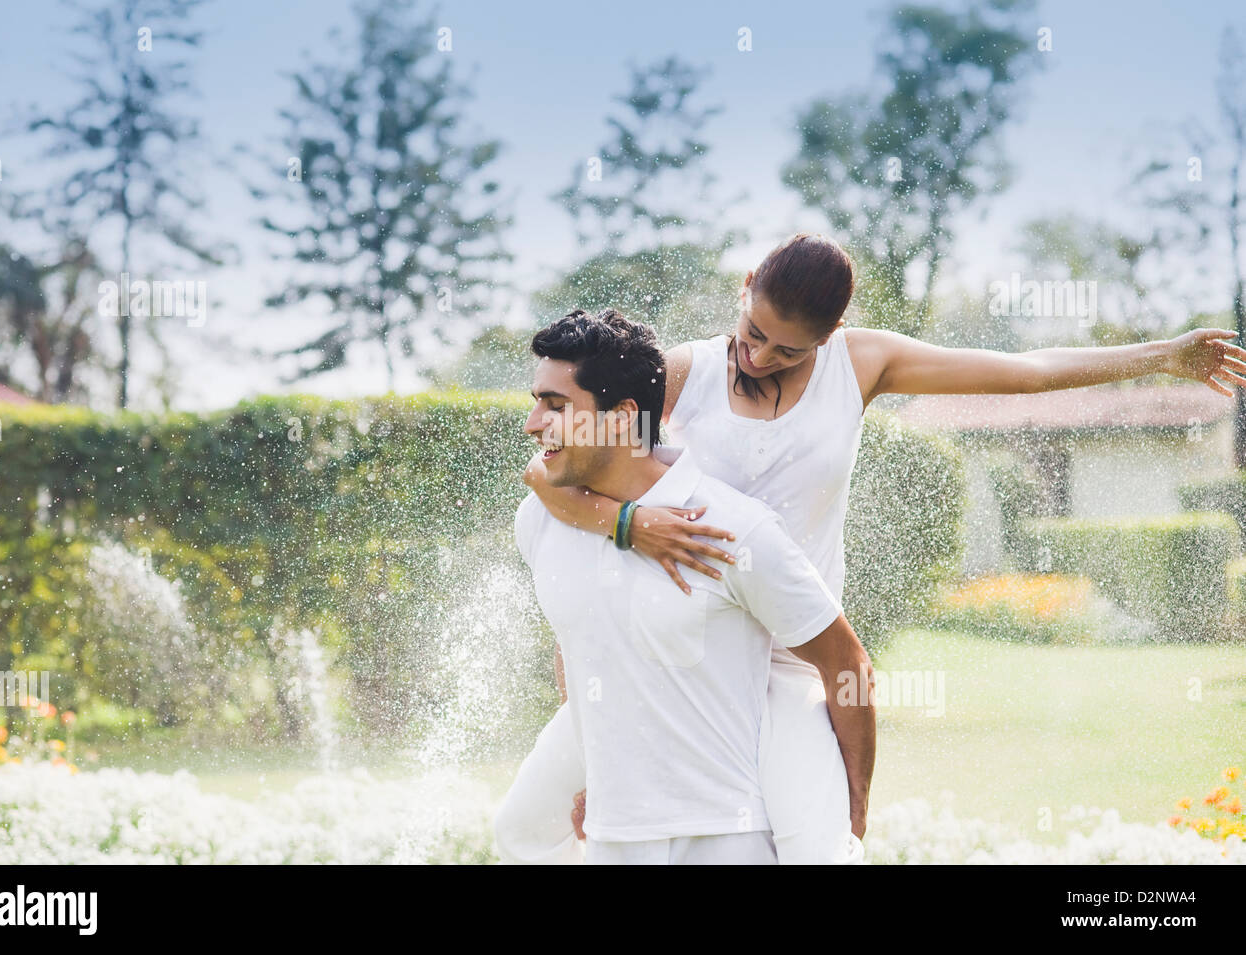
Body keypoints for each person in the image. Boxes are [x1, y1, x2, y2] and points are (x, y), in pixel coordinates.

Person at [495, 231, 1246, 864]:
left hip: (791, 658)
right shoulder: (685, 371)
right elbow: (552, 469)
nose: (758, 356)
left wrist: (1161, 355)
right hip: (684, 642)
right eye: (753, 332)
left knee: (819, 846)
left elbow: (1025, 373)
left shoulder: (863, 363)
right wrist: (630, 525)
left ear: (828, 336)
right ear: (746, 286)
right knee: (527, 827)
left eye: (788, 349)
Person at [509, 308, 873, 865]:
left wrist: (853, 808)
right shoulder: (539, 521)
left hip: (725, 839)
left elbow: (846, 663)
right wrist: (588, 768)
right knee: (515, 834)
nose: (533, 424)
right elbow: (581, 646)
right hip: (609, 839)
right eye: (537, 401)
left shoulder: (732, 530)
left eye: (557, 406)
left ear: (622, 417)